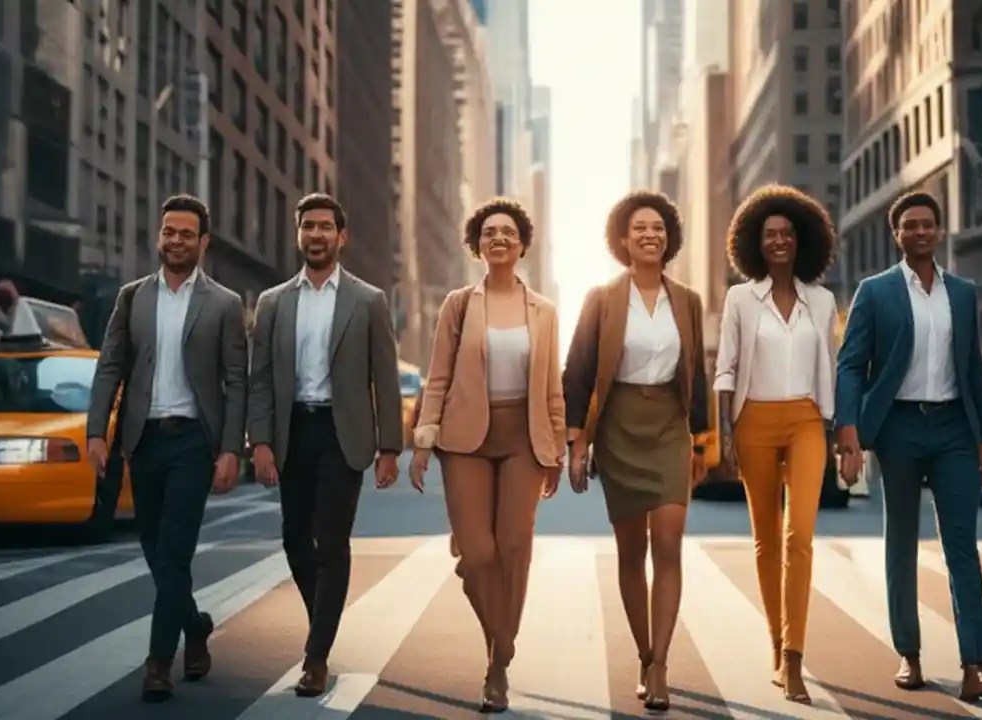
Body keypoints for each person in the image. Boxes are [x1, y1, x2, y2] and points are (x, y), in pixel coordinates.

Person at [834, 190, 982, 702]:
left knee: (963, 547)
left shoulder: (961, 292)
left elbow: (974, 368)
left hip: (955, 427)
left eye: (927, 223)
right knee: (902, 543)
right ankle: (908, 655)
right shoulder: (875, 292)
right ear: (897, 234)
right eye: (909, 225)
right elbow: (851, 363)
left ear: (939, 230)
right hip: (900, 428)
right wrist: (849, 424)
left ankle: (976, 663)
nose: (919, 231)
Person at [85, 194, 248, 703]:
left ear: (203, 243)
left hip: (193, 444)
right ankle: (196, 625)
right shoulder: (132, 298)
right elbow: (110, 365)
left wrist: (230, 449)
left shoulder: (224, 303)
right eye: (168, 232)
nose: (174, 241)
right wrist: (96, 432)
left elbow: (236, 382)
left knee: (174, 550)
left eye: (185, 234)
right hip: (144, 440)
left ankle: (159, 663)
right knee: (155, 550)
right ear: (159, 237)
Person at [410, 197, 565, 713]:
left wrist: (557, 450)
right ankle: (505, 635)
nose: (499, 238)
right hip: (465, 440)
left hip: (524, 435)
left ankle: (496, 666)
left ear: (522, 244)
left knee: (514, 547)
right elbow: (437, 377)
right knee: (478, 554)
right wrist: (423, 440)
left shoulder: (544, 311)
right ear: (477, 244)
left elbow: (552, 387)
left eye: (508, 232)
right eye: (489, 232)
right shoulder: (458, 304)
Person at [246, 193, 403, 697]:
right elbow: (261, 379)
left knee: (330, 543)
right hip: (293, 432)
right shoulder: (273, 303)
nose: (316, 235)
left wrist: (390, 448)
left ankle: (315, 657)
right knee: (295, 540)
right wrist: (260, 440)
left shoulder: (368, 300)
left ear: (342, 236)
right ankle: (326, 622)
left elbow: (385, 376)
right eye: (308, 226)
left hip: (343, 434)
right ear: (299, 234)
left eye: (325, 227)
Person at [563, 189, 709, 712]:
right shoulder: (602, 298)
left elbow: (698, 377)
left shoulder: (687, 300)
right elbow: (577, 371)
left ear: (669, 239)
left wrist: (701, 441)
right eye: (640, 228)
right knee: (632, 551)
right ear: (622, 239)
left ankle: (661, 664)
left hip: (669, 425)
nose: (650, 235)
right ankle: (643, 652)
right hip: (618, 427)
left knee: (668, 543)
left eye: (659, 228)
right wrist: (577, 441)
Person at [712, 184, 839, 705]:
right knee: (765, 539)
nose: (779, 241)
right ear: (755, 243)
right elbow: (727, 367)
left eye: (788, 233)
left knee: (800, 537)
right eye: (770, 234)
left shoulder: (824, 300)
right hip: (754, 421)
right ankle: (773, 644)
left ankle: (794, 661)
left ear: (803, 239)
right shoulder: (741, 298)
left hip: (807, 419)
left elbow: (828, 368)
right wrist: (725, 434)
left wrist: (837, 428)